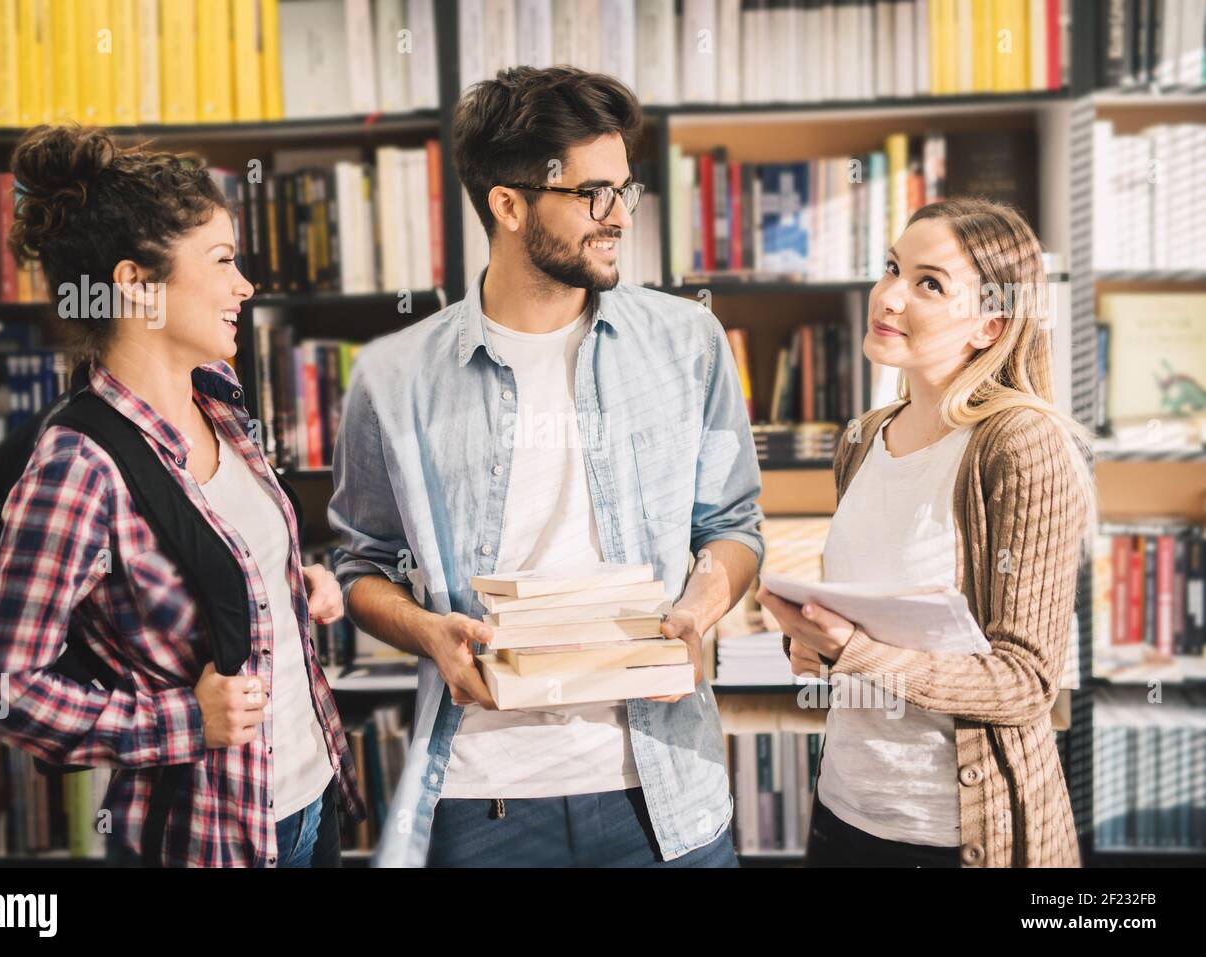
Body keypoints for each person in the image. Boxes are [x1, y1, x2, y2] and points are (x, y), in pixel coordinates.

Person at [328, 66, 764, 868]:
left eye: (624, 192)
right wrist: (428, 631)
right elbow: (360, 564)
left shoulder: (689, 342)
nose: (617, 219)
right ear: (508, 203)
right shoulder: (394, 377)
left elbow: (733, 528)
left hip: (664, 792)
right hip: (481, 799)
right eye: (592, 194)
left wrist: (701, 608)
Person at [0, 124, 364, 867]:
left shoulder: (218, 394)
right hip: (211, 838)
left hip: (311, 802)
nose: (244, 284)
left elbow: (211, 569)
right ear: (137, 285)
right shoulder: (78, 465)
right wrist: (185, 719)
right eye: (221, 260)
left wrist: (287, 587)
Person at [757, 198, 1095, 868]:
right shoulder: (861, 436)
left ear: (990, 322)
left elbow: (1025, 682)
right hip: (843, 811)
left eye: (929, 283)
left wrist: (855, 651)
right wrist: (822, 648)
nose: (888, 296)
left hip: (955, 835)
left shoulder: (1020, 445)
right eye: (891, 268)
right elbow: (884, 621)